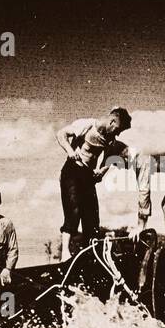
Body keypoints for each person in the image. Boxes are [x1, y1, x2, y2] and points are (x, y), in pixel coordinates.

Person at [56, 107, 131, 261]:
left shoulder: (111, 140)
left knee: (92, 220)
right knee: (74, 210)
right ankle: (65, 254)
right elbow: (60, 134)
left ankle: (90, 256)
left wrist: (102, 171)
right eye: (118, 129)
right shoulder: (87, 125)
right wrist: (70, 151)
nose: (118, 133)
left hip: (87, 176)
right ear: (112, 121)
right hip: (72, 172)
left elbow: (112, 157)